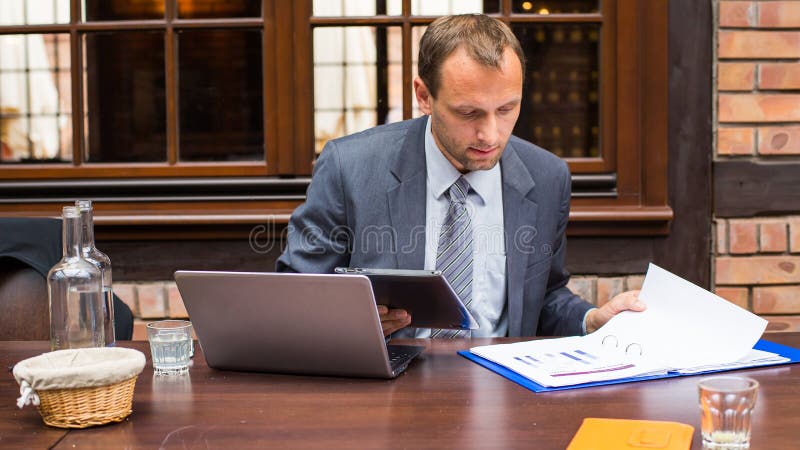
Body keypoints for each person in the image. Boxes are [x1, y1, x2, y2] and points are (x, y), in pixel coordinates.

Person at [276, 14, 644, 338]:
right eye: (469, 113)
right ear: (423, 95)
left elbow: (543, 296)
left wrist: (591, 320)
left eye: (506, 109)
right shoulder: (350, 167)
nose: (491, 134)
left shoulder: (547, 177)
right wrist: (350, 321)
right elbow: (294, 296)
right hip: (386, 394)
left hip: (504, 392)